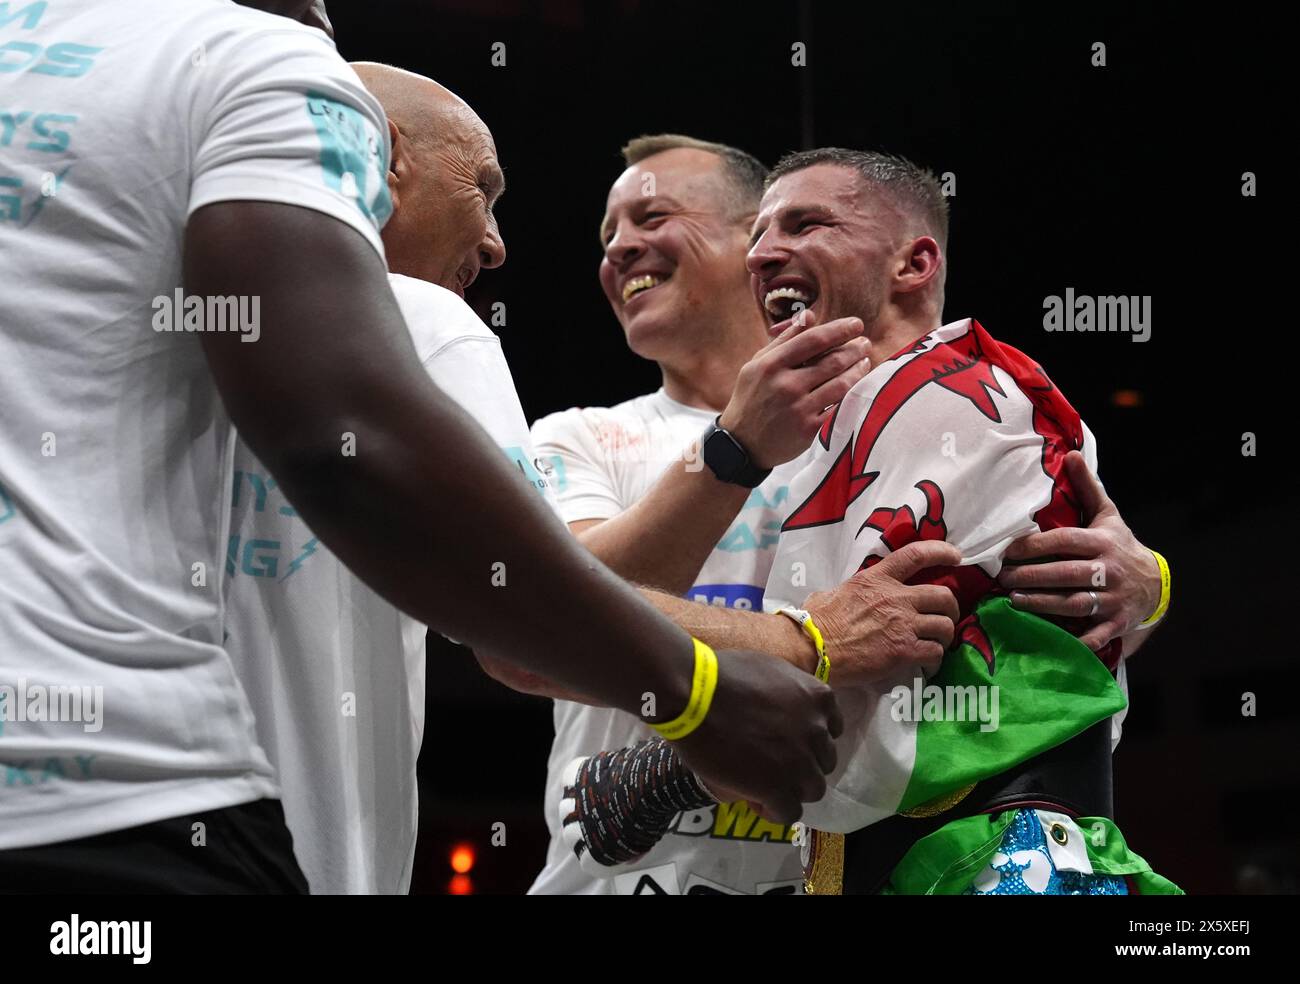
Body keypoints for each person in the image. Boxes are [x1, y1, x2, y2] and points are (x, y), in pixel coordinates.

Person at [0, 1, 838, 892]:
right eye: (482, 188)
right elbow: (520, 626)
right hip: (166, 812)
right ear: (375, 151)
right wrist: (752, 660)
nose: (495, 241)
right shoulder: (428, 325)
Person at [480, 137, 1167, 895]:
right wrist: (736, 457)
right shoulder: (584, 439)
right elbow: (531, 636)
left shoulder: (948, 396)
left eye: (653, 216)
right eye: (607, 235)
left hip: (943, 855)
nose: (621, 249)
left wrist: (1150, 586)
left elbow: (997, 642)